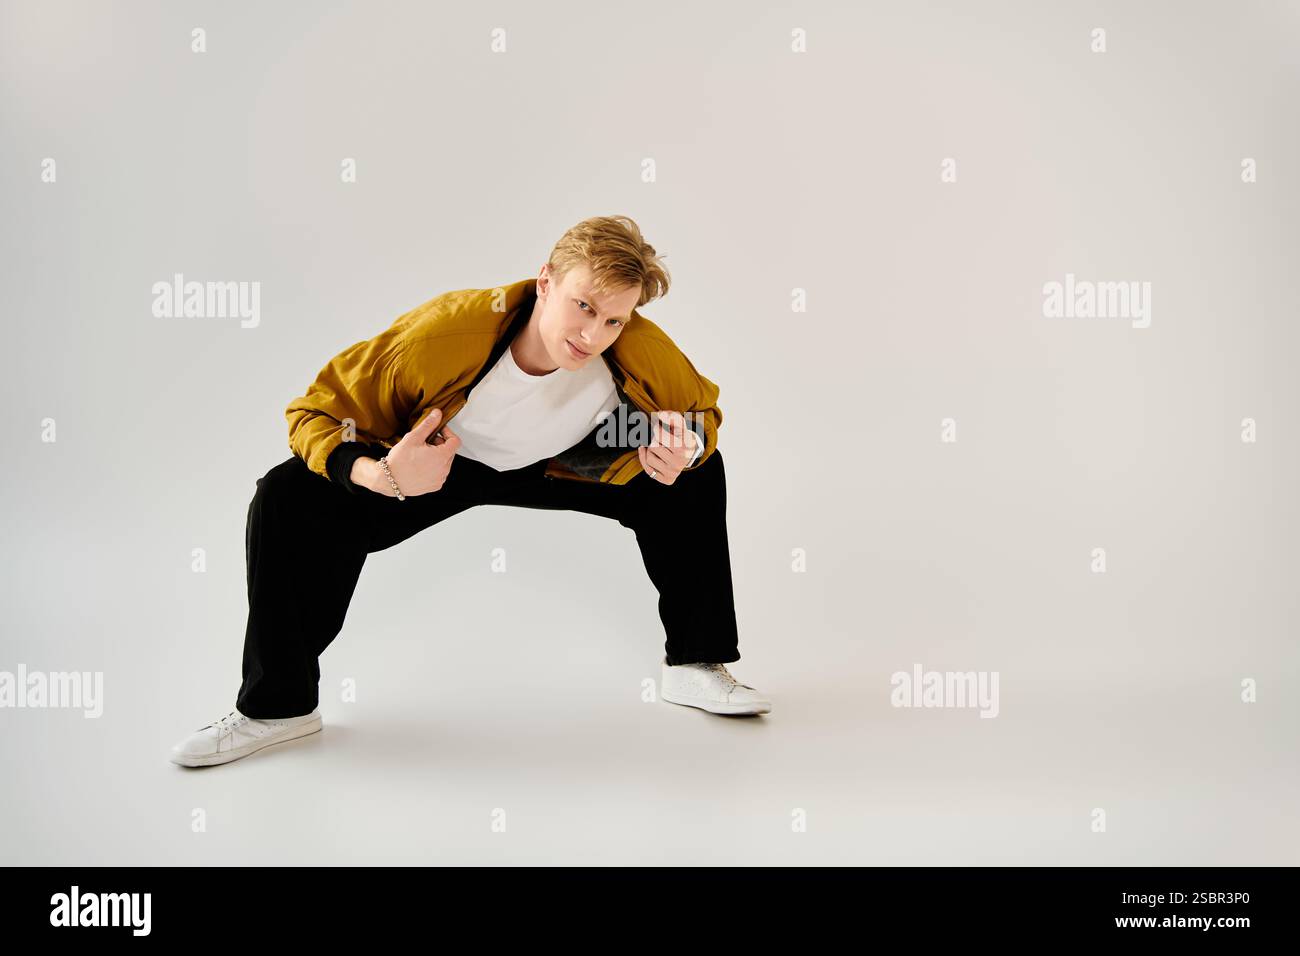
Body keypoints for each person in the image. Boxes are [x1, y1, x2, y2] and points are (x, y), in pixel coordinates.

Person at [169, 215, 770, 768]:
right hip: (449, 461)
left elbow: (702, 413)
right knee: (285, 496)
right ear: (545, 282)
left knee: (696, 475)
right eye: (582, 306)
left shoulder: (642, 349)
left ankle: (696, 664)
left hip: (569, 461)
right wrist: (380, 476)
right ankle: (280, 707)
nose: (592, 334)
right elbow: (315, 413)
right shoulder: (441, 336)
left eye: (613, 319)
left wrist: (685, 445)